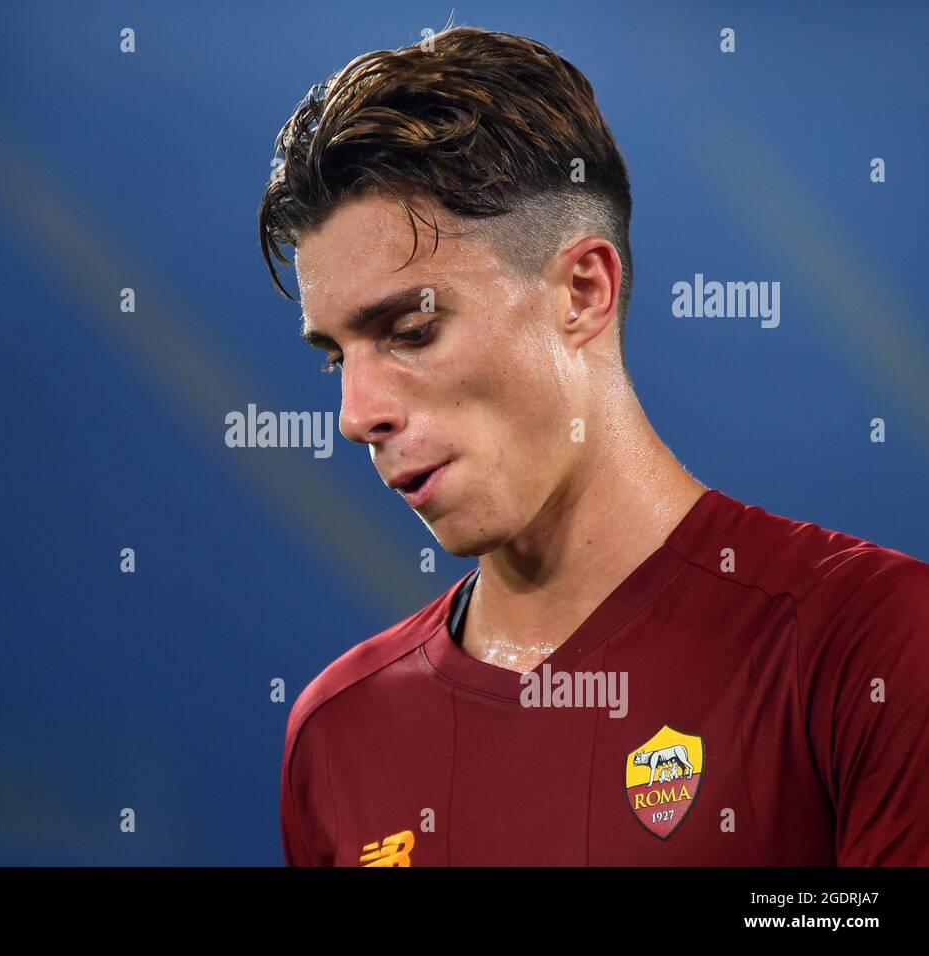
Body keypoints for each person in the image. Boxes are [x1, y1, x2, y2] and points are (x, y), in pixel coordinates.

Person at [258, 26, 929, 865]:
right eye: (334, 358)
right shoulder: (337, 736)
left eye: (411, 330)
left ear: (583, 292)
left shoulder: (871, 646)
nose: (356, 414)